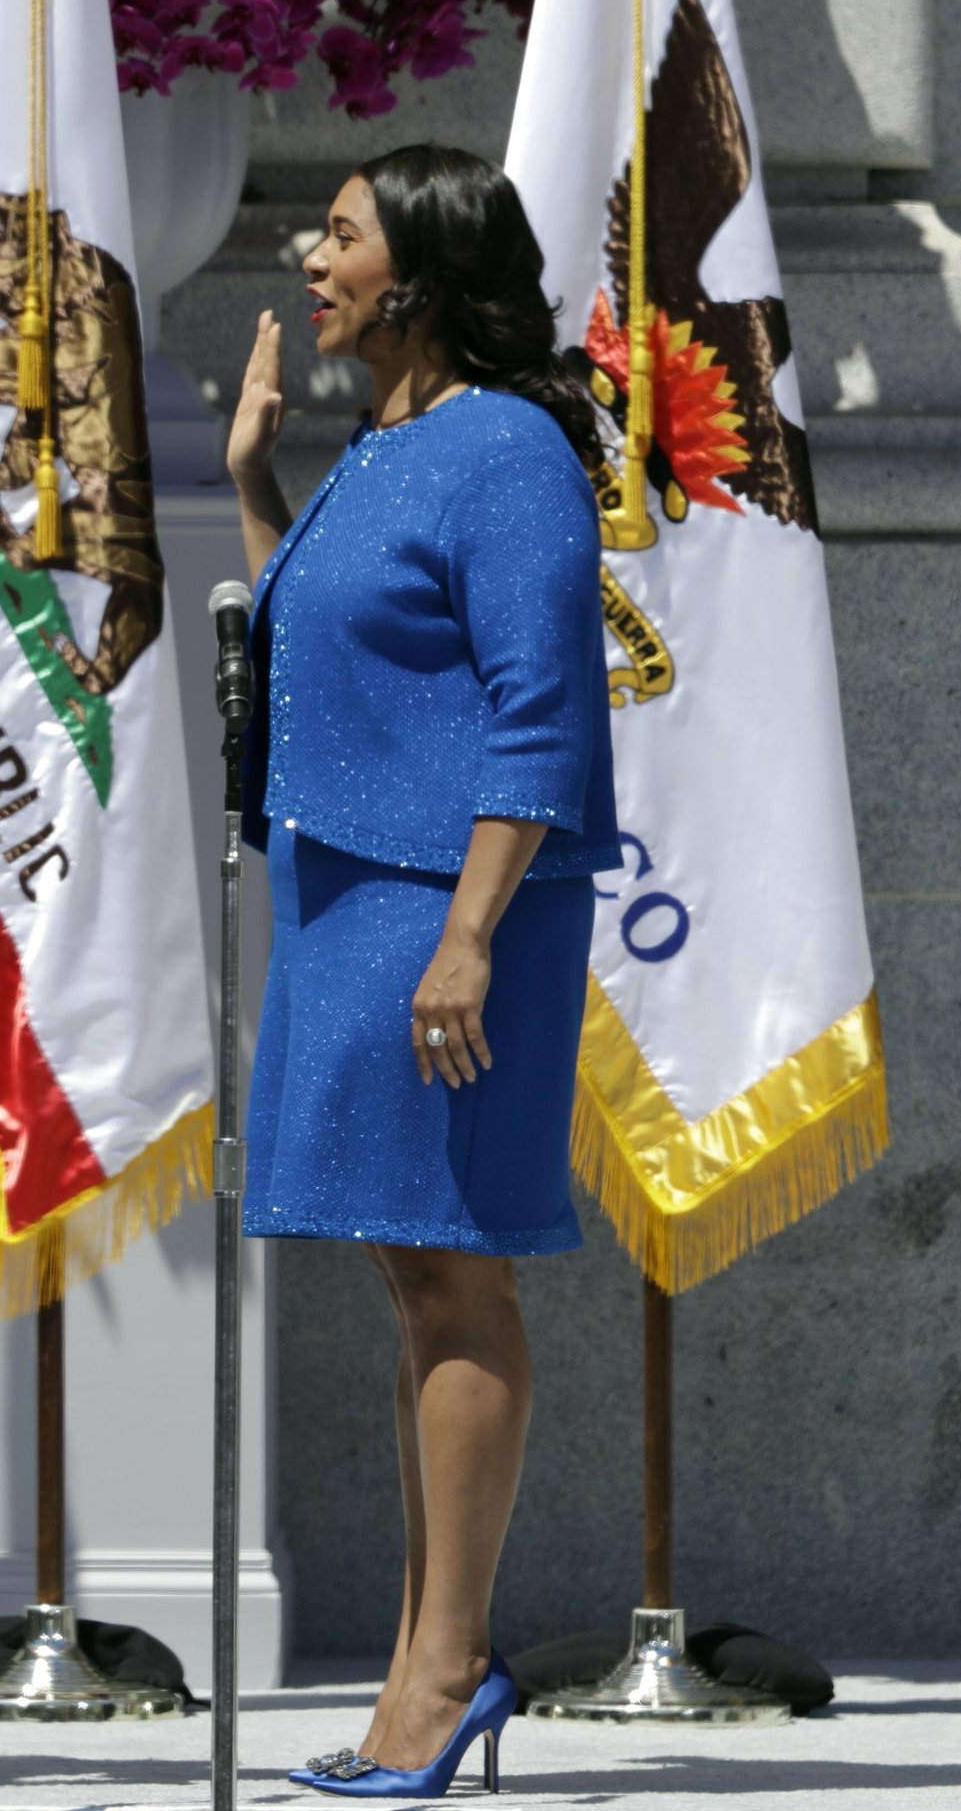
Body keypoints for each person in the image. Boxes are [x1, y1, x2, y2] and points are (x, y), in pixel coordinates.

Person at [226, 143, 619, 1803]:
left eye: (344, 235)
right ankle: (416, 1665)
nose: (313, 257)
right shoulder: (383, 442)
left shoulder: (506, 447)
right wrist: (257, 482)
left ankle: (449, 1669)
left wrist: (467, 934)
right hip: (350, 905)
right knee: (413, 1280)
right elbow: (329, 652)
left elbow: (542, 711)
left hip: (447, 918)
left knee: (457, 1273)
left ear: (429, 273)